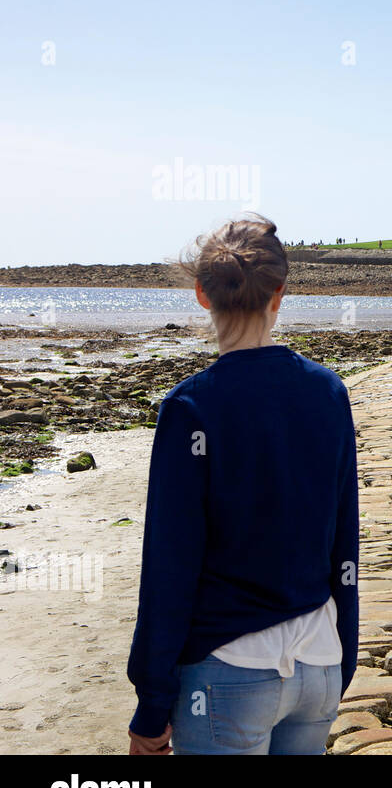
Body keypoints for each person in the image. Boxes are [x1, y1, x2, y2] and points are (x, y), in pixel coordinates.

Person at [126, 216, 358, 755]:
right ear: (280, 293)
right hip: (318, 660)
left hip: (226, 672)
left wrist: (152, 703)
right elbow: (343, 535)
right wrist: (343, 651)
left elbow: (170, 562)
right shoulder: (329, 392)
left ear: (202, 294)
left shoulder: (191, 407)